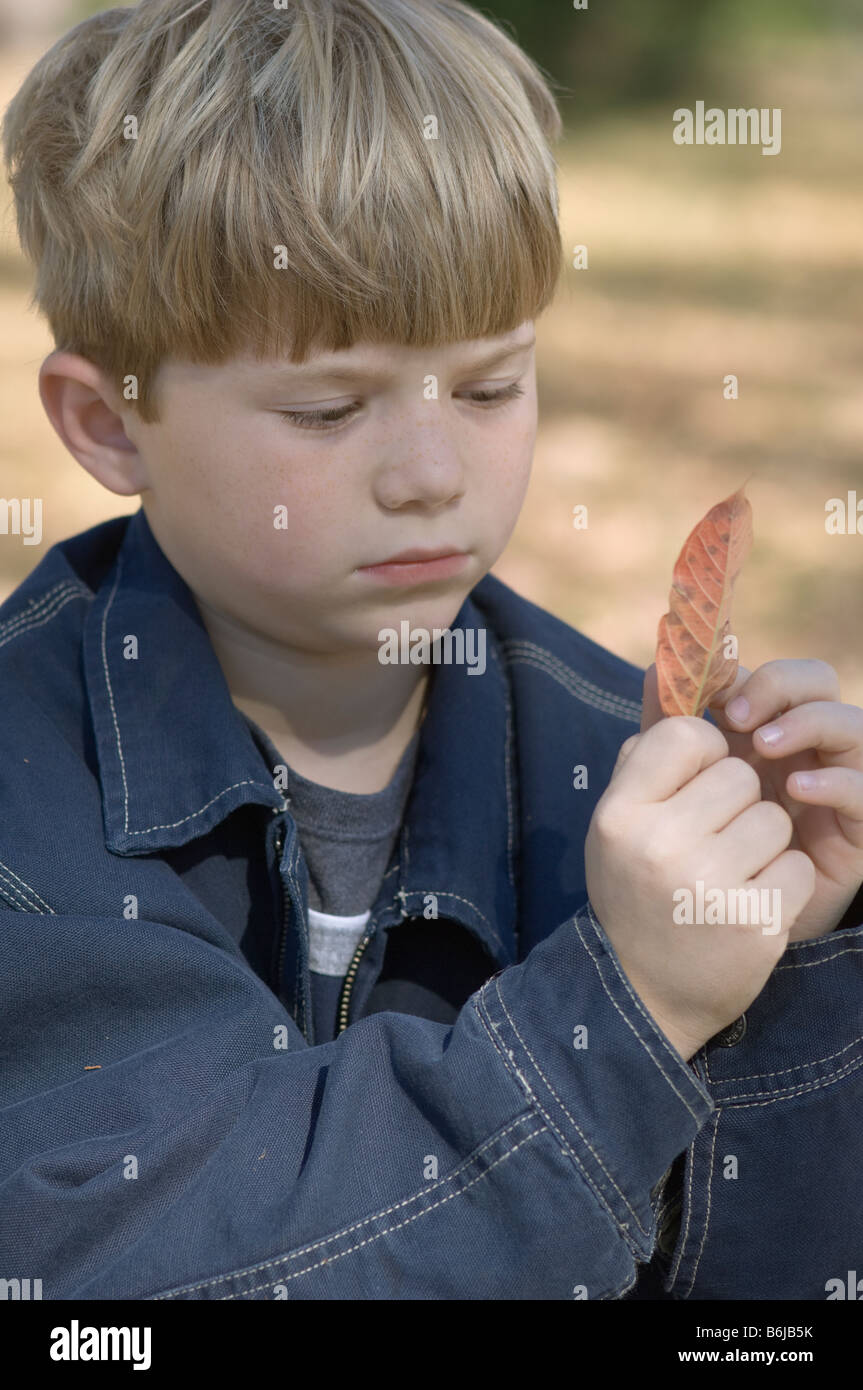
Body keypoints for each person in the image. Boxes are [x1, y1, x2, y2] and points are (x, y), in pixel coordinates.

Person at [1, 0, 861, 1301]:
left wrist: (788, 967)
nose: (430, 473)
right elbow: (137, 1281)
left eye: (489, 385)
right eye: (330, 405)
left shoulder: (604, 760)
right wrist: (620, 1012)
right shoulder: (25, 800)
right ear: (109, 422)